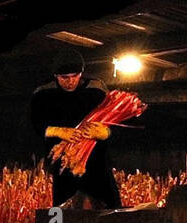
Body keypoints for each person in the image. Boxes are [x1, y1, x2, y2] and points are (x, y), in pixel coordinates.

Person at [30, 49, 120, 209]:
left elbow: (118, 121)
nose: (70, 81)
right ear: (55, 76)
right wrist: (56, 131)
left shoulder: (96, 89)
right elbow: (30, 127)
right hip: (64, 165)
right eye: (65, 77)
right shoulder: (43, 94)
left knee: (112, 206)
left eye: (75, 76)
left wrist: (106, 132)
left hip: (97, 164)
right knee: (60, 208)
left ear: (82, 73)